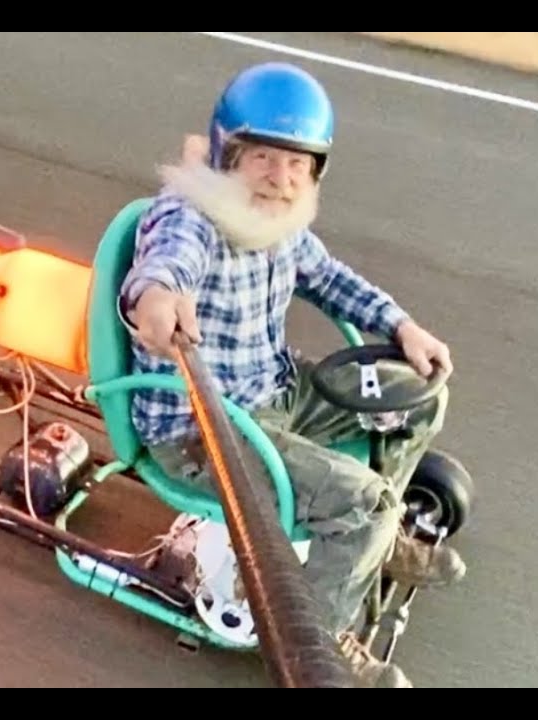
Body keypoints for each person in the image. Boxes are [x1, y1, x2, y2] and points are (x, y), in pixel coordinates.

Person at [118, 61, 465, 688]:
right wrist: (156, 300)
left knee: (419, 399)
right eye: (265, 160)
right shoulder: (192, 215)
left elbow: (329, 279)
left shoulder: (277, 223)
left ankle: (374, 543)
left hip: (274, 391)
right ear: (231, 154)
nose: (281, 180)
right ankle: (322, 647)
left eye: (298, 164)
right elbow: (163, 269)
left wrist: (403, 326)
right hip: (203, 429)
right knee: (361, 502)